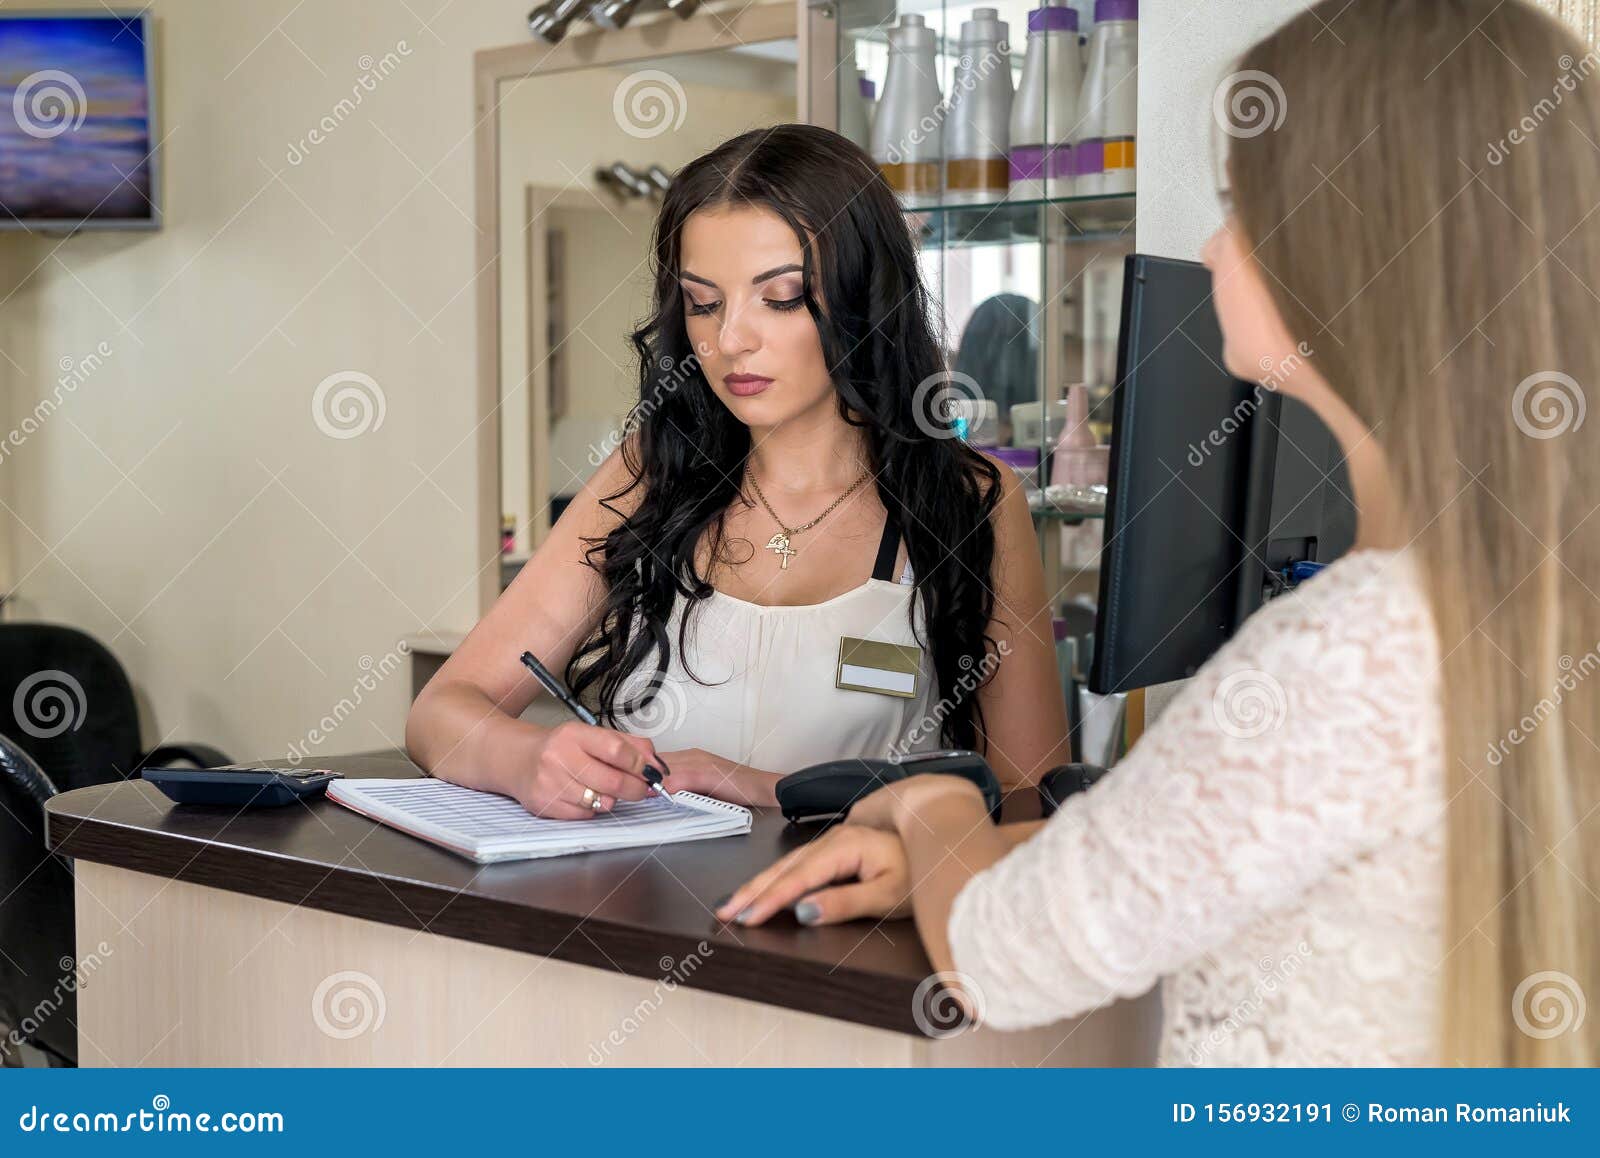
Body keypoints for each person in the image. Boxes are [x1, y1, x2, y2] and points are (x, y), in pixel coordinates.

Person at [719, 0, 1600, 1066]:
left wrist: (931, 810)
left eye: (1242, 210)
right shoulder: (1510, 605)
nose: (1215, 248)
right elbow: (1225, 844)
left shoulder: (1350, 653)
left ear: (1348, 246)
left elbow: (1004, 959)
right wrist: (978, 851)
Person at [405, 124, 1070, 819]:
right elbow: (440, 714)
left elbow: (1029, 808)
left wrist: (764, 789)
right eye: (703, 303)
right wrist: (526, 760)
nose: (729, 341)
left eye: (779, 298)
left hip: (851, 924)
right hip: (631, 912)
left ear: (862, 297)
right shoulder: (648, 476)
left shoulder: (970, 501)